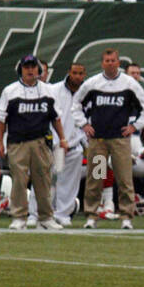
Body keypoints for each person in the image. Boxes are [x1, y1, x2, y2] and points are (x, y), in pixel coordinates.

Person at [74, 48, 144, 230]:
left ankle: (126, 216)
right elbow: (75, 105)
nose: (110, 63)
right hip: (99, 140)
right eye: (107, 60)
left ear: (118, 63)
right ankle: (92, 215)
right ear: (102, 63)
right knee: (97, 178)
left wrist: (135, 127)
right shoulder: (92, 84)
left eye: (113, 60)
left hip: (119, 140)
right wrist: (84, 124)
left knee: (124, 179)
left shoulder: (129, 84)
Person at [0, 54, 68, 231]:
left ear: (39, 70)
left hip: (41, 142)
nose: (30, 70)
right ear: (21, 69)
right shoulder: (10, 91)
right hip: (17, 142)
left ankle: (46, 217)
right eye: (26, 67)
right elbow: (1, 120)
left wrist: (63, 138)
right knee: (19, 180)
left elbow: (56, 118)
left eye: (33, 67)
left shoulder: (48, 91)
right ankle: (19, 216)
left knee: (43, 180)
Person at [49, 62, 88, 227]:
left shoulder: (88, 92)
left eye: (80, 73)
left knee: (73, 182)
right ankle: (36, 213)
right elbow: (51, 117)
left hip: (78, 145)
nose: (77, 76)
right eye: (74, 73)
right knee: (48, 180)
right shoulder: (54, 90)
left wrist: (87, 144)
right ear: (68, 72)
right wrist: (57, 141)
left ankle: (63, 213)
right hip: (57, 145)